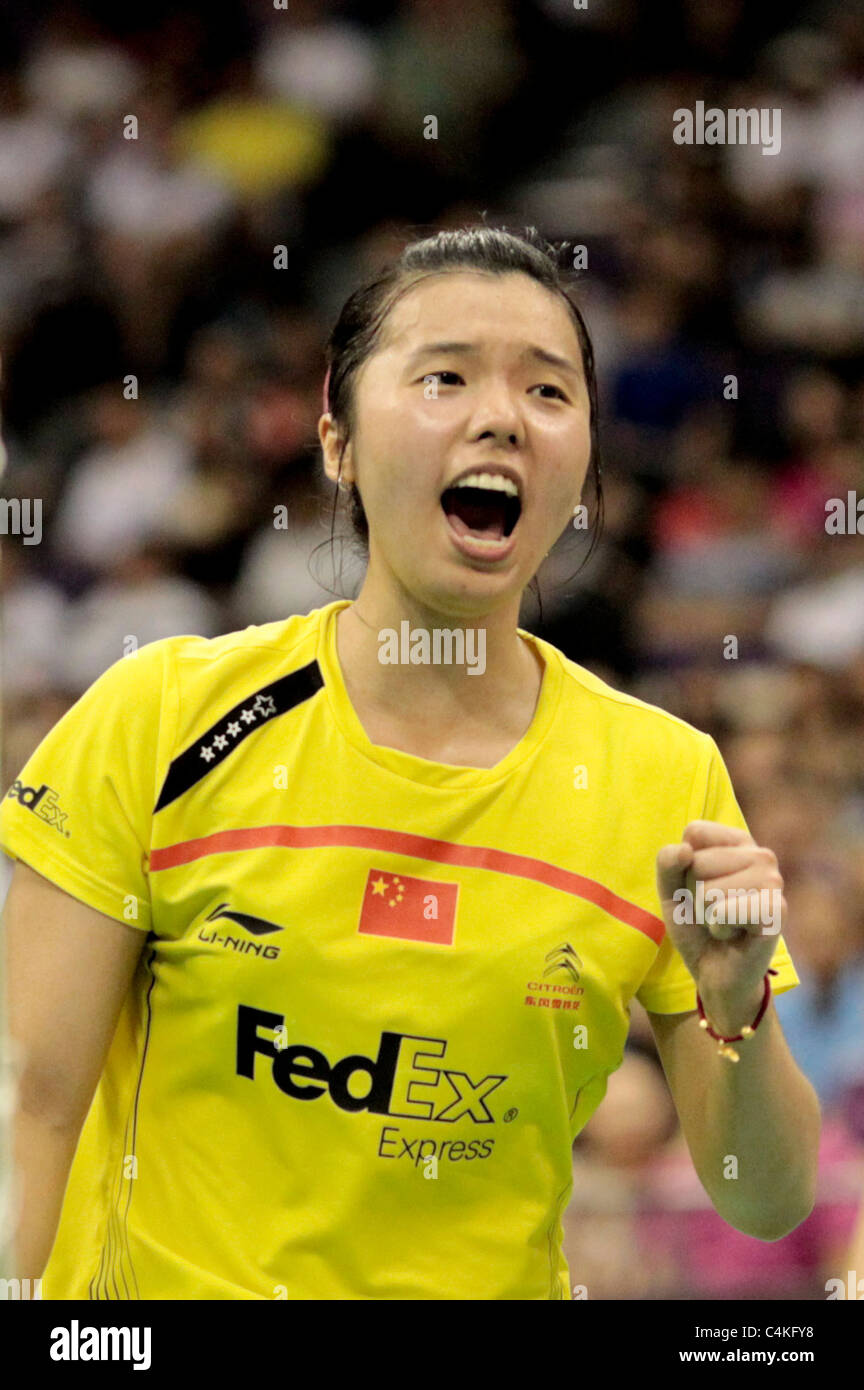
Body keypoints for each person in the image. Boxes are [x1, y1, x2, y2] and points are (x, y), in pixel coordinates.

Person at [1, 226, 819, 1301]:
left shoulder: (659, 776)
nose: (500, 418)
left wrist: (736, 1004)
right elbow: (31, 1100)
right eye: (445, 376)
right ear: (335, 437)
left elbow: (761, 1196)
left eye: (549, 392)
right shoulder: (163, 715)